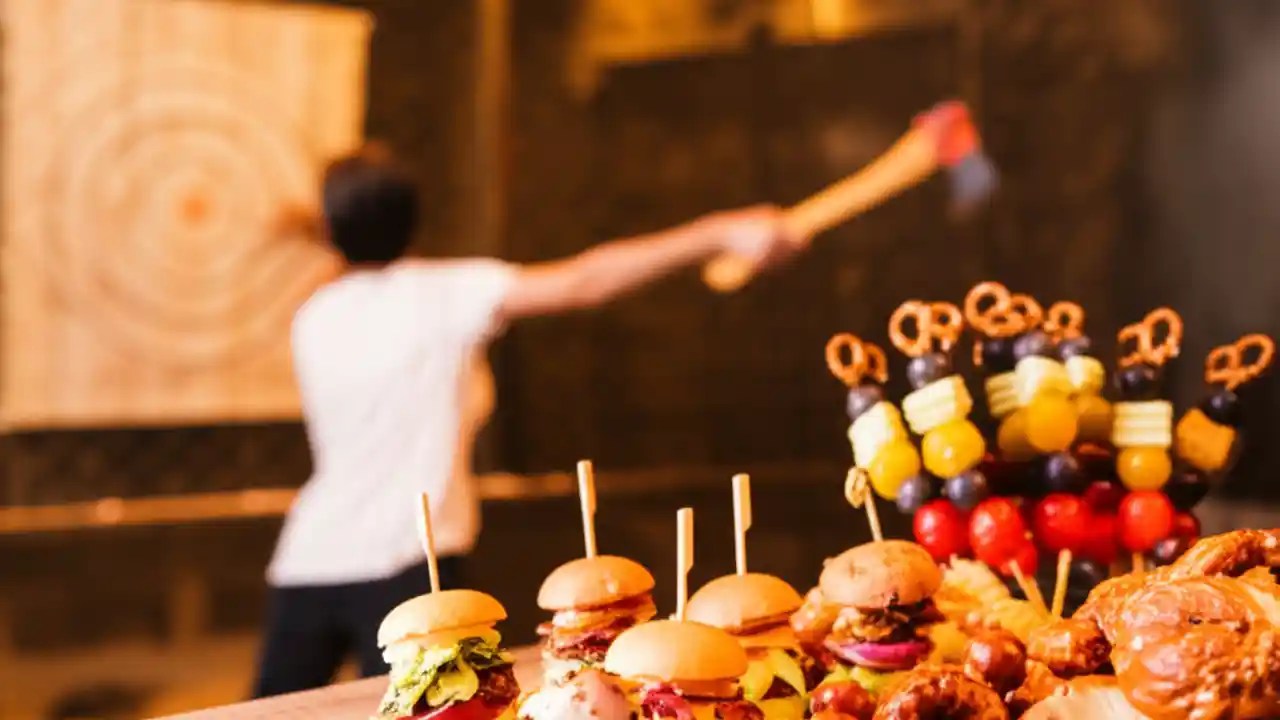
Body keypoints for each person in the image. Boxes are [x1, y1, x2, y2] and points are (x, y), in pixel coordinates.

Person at [251, 144, 807, 697]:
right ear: (413, 217)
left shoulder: (315, 313)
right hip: (406, 562)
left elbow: (354, 258)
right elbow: (586, 280)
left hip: (309, 560)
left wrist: (321, 226)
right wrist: (720, 232)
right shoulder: (444, 295)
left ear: (334, 231)